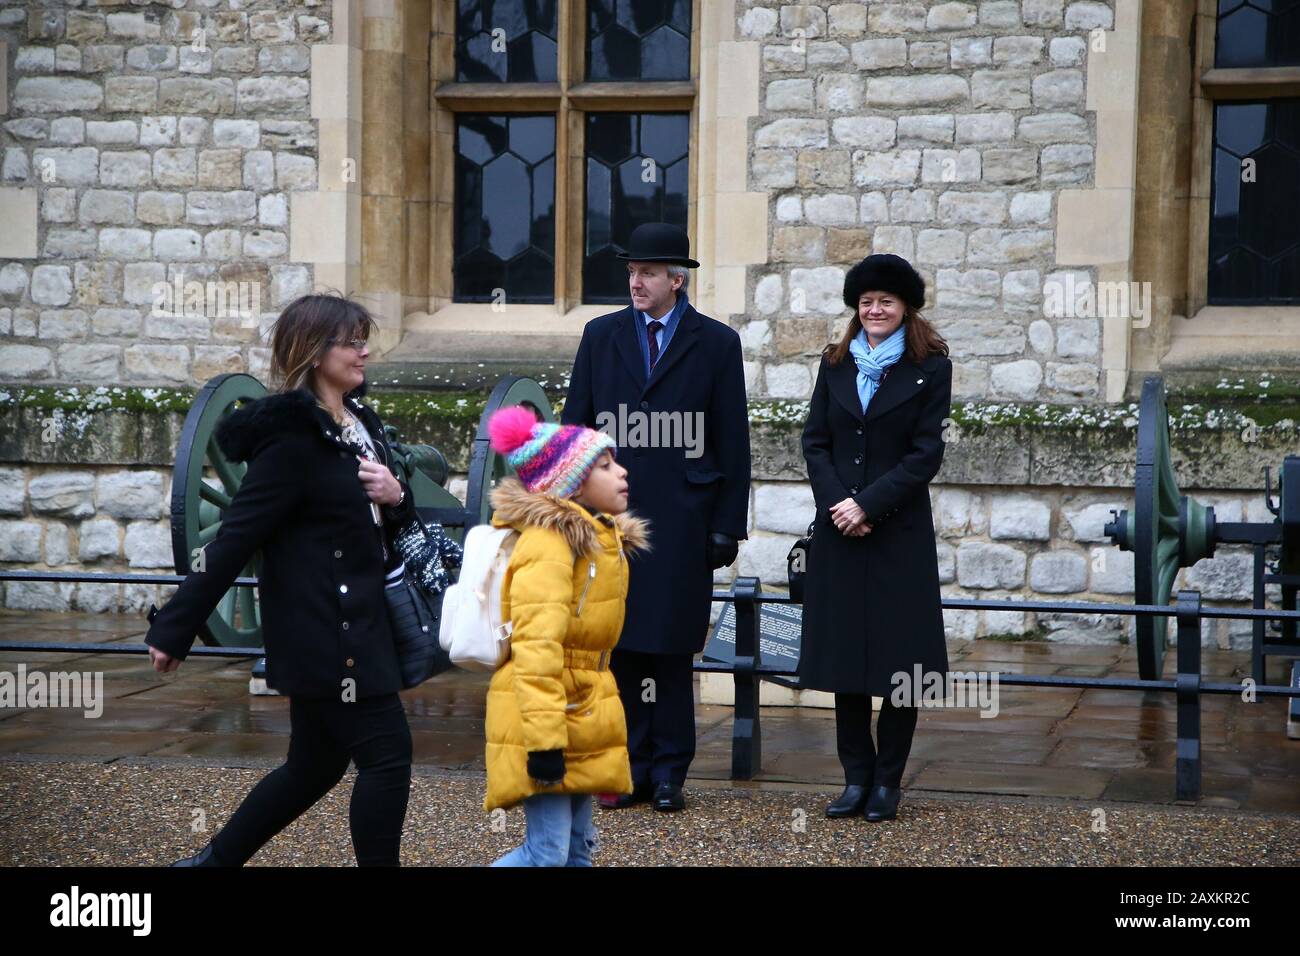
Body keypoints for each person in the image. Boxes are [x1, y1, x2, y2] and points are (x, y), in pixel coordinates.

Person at [146, 292, 434, 866]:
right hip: (326, 635)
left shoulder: (359, 421)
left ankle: (212, 864)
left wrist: (396, 496)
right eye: (351, 341)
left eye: (363, 338)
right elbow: (234, 539)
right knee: (387, 755)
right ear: (314, 351)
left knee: (315, 765)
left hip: (363, 623)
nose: (364, 351)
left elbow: (384, 522)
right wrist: (176, 624)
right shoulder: (290, 443)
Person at [561, 221, 751, 812]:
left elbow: (732, 440)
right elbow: (576, 431)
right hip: (610, 520)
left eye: (646, 273)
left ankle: (669, 770)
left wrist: (726, 523)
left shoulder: (716, 343)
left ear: (677, 278)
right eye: (630, 272)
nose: (635, 282)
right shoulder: (601, 334)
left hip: (683, 517)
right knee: (616, 645)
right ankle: (627, 765)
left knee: (669, 648)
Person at [798, 254, 952, 823]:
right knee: (846, 663)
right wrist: (839, 504)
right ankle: (855, 779)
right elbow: (815, 441)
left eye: (886, 300)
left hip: (898, 535)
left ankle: (888, 781)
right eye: (866, 301)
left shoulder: (930, 367)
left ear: (905, 306)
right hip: (840, 533)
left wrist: (868, 504)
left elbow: (924, 453)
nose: (875, 309)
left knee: (899, 664)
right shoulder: (835, 363)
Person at [482, 405, 650, 866]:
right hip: (547, 715)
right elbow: (536, 649)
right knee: (547, 854)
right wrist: (544, 743)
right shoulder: (551, 543)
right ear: (571, 482)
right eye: (605, 465)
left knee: (578, 849)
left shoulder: (594, 538)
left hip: (577, 706)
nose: (622, 471)